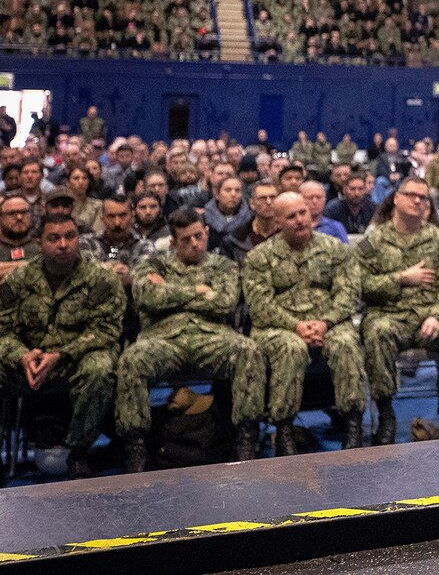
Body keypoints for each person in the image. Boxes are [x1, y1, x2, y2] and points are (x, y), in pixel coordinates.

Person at [116, 208, 266, 471]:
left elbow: (225, 302)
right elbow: (147, 296)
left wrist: (169, 292)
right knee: (132, 360)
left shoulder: (223, 265)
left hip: (212, 338)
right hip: (164, 340)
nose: (195, 243)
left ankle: (246, 436)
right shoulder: (155, 265)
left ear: (207, 233)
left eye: (199, 236)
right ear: (173, 242)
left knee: (248, 350)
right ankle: (135, 445)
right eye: (186, 239)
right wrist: (199, 290)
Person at [353, 178, 439, 443]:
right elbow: (360, 286)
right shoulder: (372, 242)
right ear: (396, 199)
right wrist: (400, 278)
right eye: (411, 195)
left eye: (423, 197)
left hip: (430, 317)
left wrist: (437, 314)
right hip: (389, 315)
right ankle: (386, 416)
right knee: (377, 332)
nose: (418, 201)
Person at [0, 209, 123, 477]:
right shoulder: (19, 280)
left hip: (76, 357)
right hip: (29, 360)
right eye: (54, 238)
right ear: (40, 243)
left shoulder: (101, 279)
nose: (64, 244)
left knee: (100, 368)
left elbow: (107, 330)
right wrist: (21, 355)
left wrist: (62, 354)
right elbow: (3, 329)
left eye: (70, 236)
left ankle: (78, 452)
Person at [242, 192, 365, 455]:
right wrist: (296, 326)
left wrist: (326, 322)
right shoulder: (259, 257)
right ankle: (284, 428)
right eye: (291, 216)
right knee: (291, 348)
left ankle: (352, 426)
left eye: (303, 213)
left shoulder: (336, 250)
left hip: (329, 322)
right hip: (278, 328)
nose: (299, 220)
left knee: (346, 344)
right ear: (277, 222)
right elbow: (260, 306)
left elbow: (349, 293)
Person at [0, 193, 39, 281]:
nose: (19, 217)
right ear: (1, 218)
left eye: (24, 212)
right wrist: (29, 265)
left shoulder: (41, 244)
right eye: (12, 213)